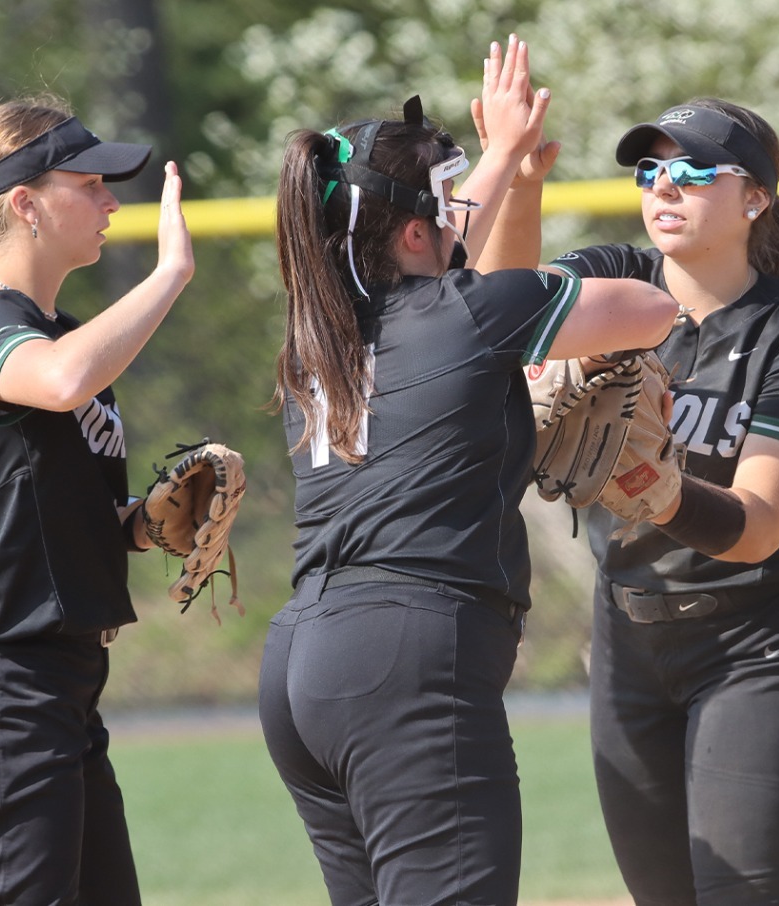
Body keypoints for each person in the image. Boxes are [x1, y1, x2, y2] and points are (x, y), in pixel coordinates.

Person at [256, 37, 679, 906]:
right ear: (414, 228)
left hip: (304, 656)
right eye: (449, 207)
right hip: (408, 654)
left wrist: (505, 159)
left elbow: (446, 258)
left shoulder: (319, 334)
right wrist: (579, 271)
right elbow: (653, 309)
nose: (463, 220)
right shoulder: (472, 310)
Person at [545, 99, 779, 905]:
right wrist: (514, 172)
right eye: (650, 170)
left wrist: (653, 487)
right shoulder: (617, 281)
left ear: (755, 199)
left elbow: (758, 528)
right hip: (628, 646)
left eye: (693, 170)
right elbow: (493, 311)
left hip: (761, 647)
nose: (664, 187)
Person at [0, 96, 193, 904]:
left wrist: (147, 523)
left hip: (57, 686)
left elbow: (66, 506)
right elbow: (61, 382)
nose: (110, 201)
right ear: (25, 203)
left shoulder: (58, 327)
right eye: (91, 182)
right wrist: (171, 273)